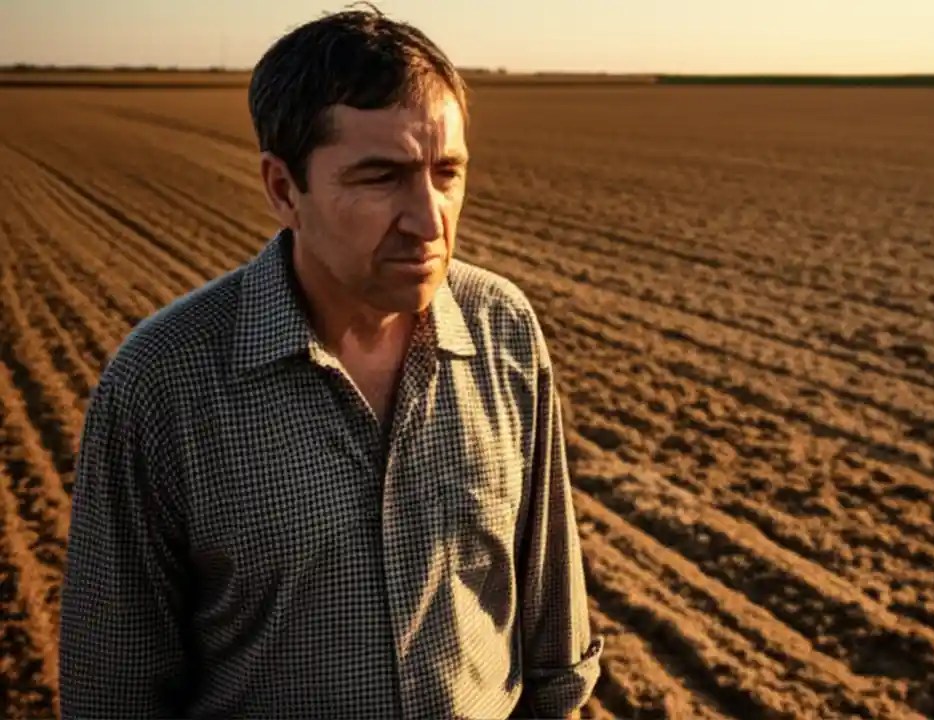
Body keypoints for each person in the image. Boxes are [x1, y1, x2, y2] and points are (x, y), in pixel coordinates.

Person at [57, 7, 602, 719]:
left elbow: (553, 641)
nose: (429, 216)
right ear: (284, 189)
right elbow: (113, 694)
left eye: (447, 172)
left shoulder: (505, 331)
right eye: (381, 178)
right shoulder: (165, 381)